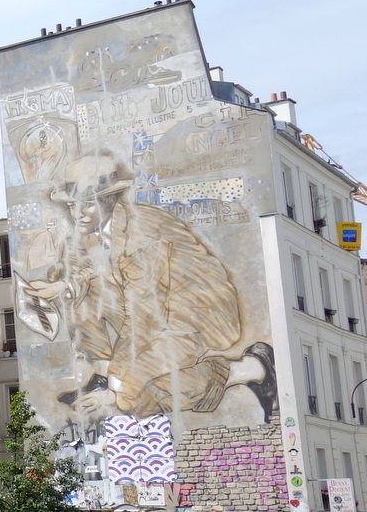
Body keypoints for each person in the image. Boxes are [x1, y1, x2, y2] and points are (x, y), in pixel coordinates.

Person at [19, 154, 277, 422]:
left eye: (87, 205)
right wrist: (62, 286)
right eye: (73, 205)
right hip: (150, 308)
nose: (77, 214)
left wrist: (116, 391)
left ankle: (251, 368)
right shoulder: (91, 231)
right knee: (76, 290)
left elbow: (142, 321)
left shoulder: (142, 236)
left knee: (135, 398)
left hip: (194, 312)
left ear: (109, 200)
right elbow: (89, 271)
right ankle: (105, 376)